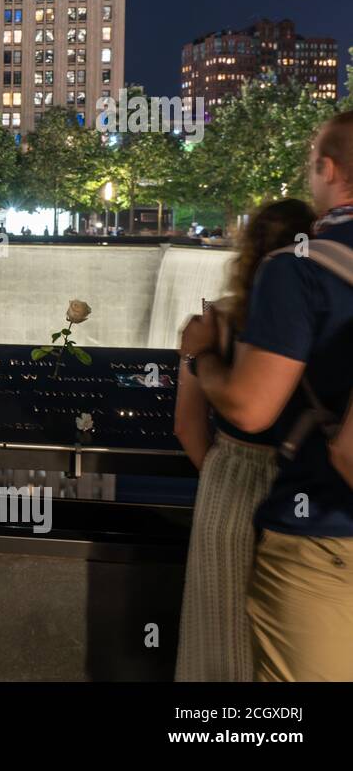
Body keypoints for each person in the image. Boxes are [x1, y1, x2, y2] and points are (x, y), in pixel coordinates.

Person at [181, 112, 353, 681]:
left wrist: (198, 356)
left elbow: (240, 410)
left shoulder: (297, 275)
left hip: (313, 533)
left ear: (327, 169)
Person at [173, 198, 314, 681]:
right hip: (304, 484)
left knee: (218, 633)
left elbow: (187, 427)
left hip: (229, 484)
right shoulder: (320, 321)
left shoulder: (213, 325)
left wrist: (222, 474)